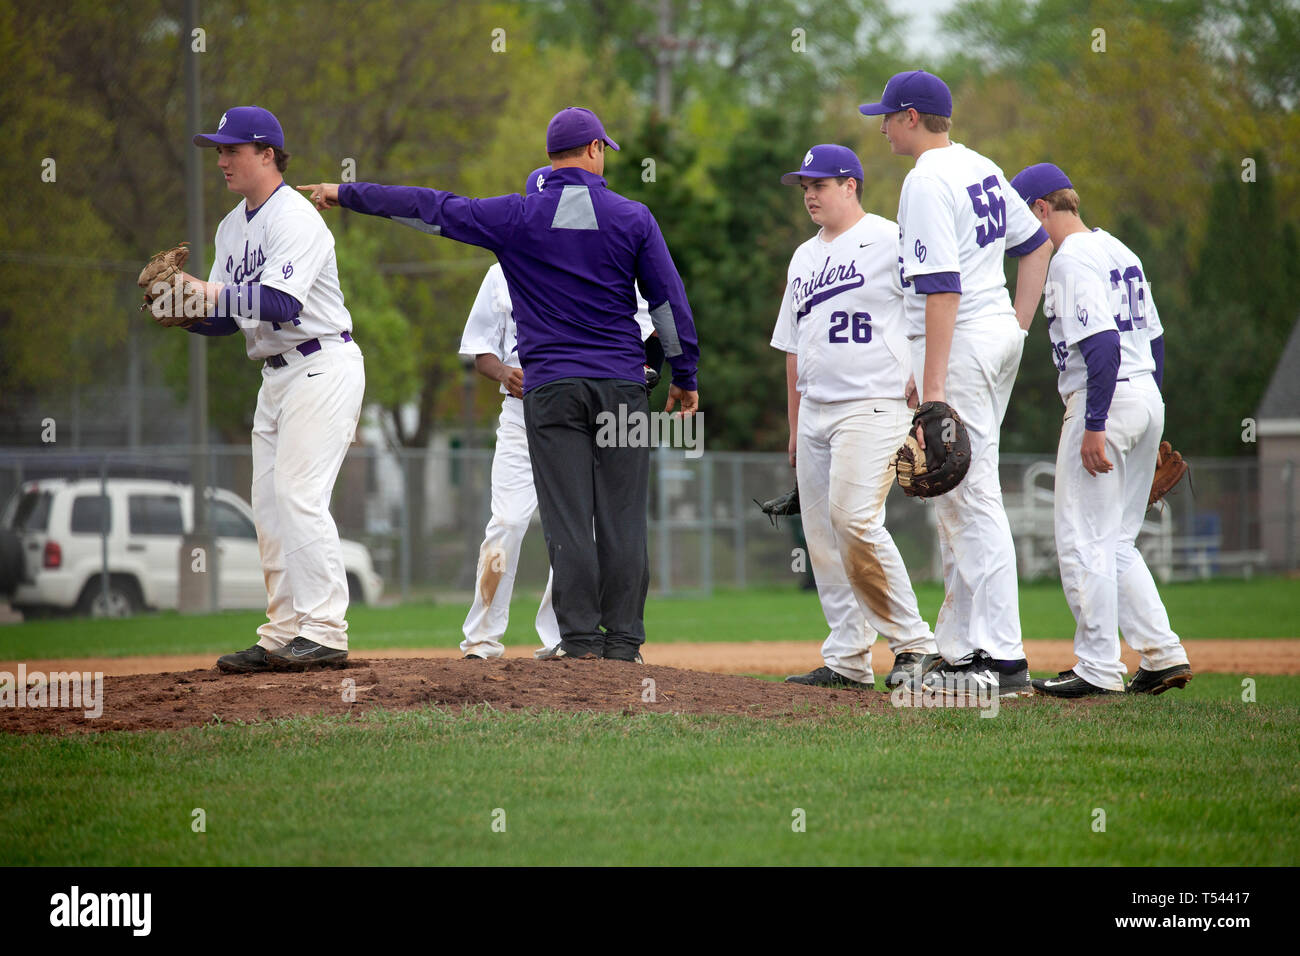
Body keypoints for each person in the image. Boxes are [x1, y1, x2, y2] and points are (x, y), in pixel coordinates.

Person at [302, 107, 699, 663]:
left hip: (552, 388)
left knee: (566, 519)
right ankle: (624, 644)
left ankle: (581, 643)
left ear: (550, 157)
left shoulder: (518, 216)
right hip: (622, 387)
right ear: (592, 151)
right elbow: (666, 305)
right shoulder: (633, 217)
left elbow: (431, 208)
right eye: (602, 149)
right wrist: (685, 376)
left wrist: (347, 194)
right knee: (622, 518)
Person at [859, 70, 1052, 697]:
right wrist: (1017, 327)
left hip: (963, 339)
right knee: (959, 496)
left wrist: (932, 388)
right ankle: (963, 648)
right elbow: (1038, 245)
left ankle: (1002, 658)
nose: (882, 126)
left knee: (970, 501)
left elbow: (941, 286)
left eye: (887, 116)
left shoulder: (925, 180)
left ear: (912, 116)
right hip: (991, 332)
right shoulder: (980, 164)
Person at [161, 106, 366, 672]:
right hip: (275, 375)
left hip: (323, 365)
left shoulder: (296, 220)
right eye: (219, 151)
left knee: (299, 495)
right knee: (270, 508)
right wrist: (190, 313)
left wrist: (207, 290)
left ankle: (325, 630)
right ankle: (283, 631)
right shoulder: (233, 227)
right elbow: (233, 320)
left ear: (267, 154)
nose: (222, 160)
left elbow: (282, 304)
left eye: (232, 150)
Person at [458, 167, 664, 661]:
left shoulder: (598, 264)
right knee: (507, 522)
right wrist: (504, 372)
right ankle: (482, 638)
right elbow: (479, 348)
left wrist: (644, 370)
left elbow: (648, 330)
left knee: (575, 522)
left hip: (584, 407)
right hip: (520, 414)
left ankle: (562, 638)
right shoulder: (500, 271)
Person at [1009, 163, 1193, 697]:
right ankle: (1162, 654)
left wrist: (1095, 424)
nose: (1021, 233)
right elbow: (1154, 340)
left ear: (1041, 208)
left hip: (1103, 399)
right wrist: (1151, 415)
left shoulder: (1070, 260)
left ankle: (1096, 668)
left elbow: (1103, 346)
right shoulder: (1119, 249)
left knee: (1082, 540)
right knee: (1114, 542)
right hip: (1143, 399)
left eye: (1024, 218)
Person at [771, 144, 940, 692]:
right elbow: (792, 346)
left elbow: (931, 306)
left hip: (874, 404)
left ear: (851, 185)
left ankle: (916, 644)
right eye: (804, 186)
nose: (810, 194)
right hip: (817, 409)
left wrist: (926, 377)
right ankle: (847, 657)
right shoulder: (803, 256)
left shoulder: (892, 240)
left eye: (819, 184)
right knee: (822, 536)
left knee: (854, 520)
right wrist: (795, 426)